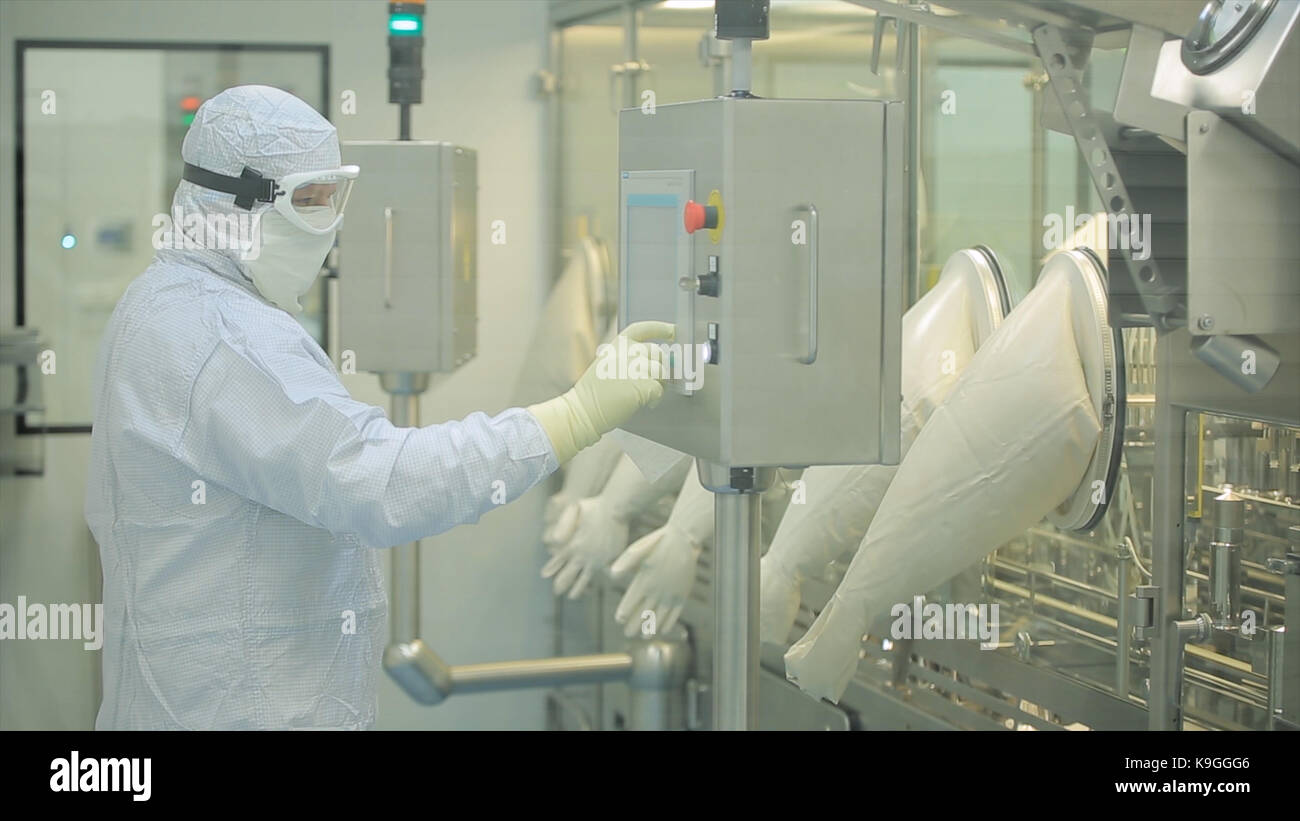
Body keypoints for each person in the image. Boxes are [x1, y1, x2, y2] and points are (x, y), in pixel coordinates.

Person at [83, 85, 670, 730]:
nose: (328, 228)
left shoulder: (164, 301)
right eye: (309, 203)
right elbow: (379, 482)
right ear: (232, 199)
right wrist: (573, 417)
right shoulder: (223, 335)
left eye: (334, 202)